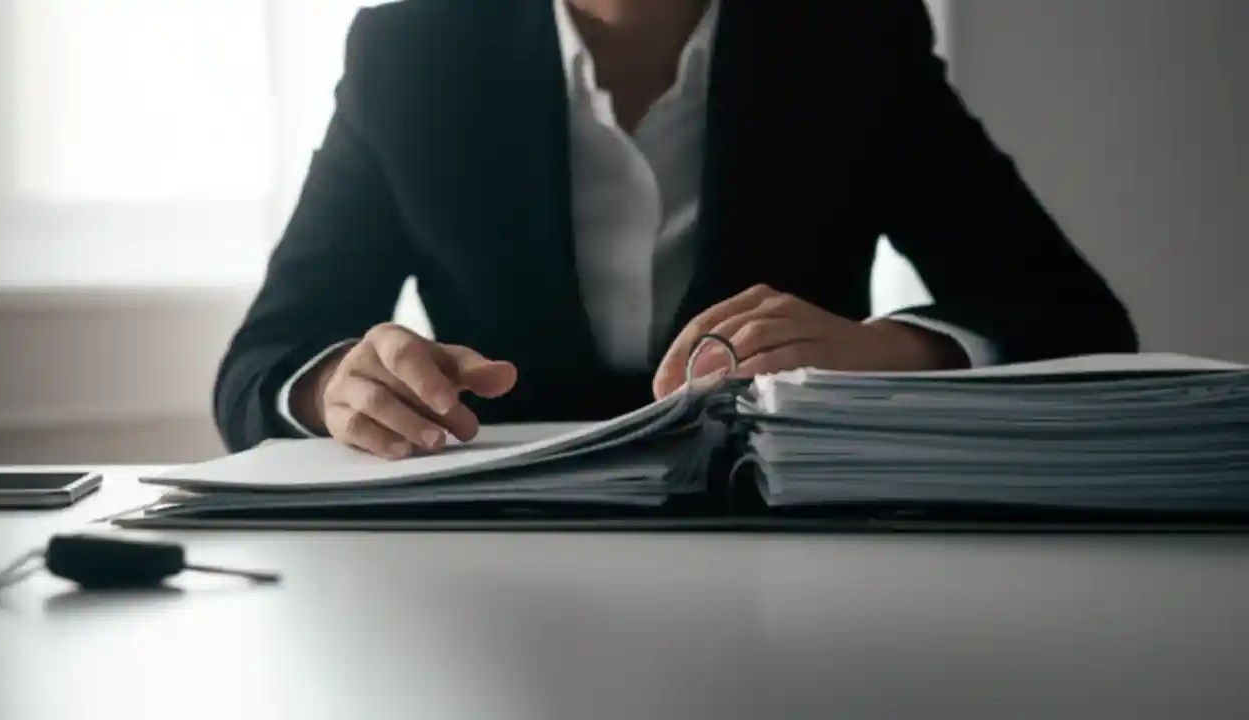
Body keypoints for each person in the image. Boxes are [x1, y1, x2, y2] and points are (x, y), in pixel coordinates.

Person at [214, 0, 1137, 459]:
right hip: (498, 553)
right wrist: (340, 386)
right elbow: (262, 367)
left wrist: (887, 350)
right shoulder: (412, 53)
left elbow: (1075, 317)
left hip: (792, 552)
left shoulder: (849, 38)